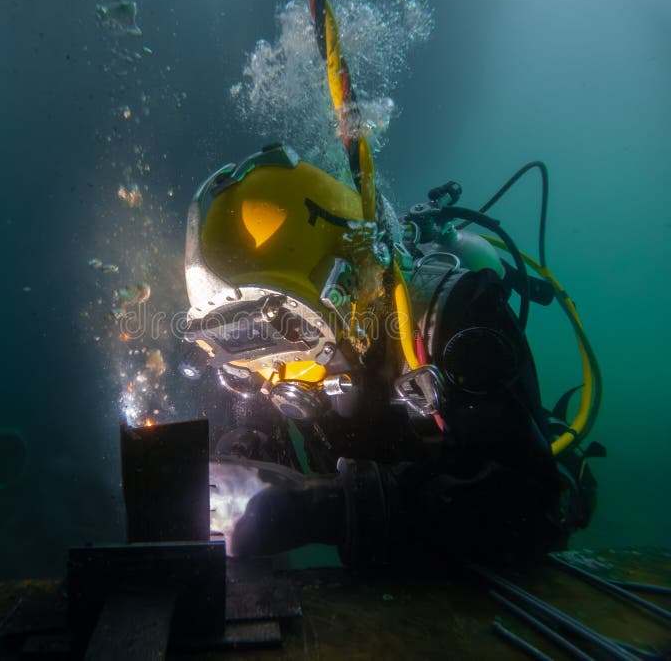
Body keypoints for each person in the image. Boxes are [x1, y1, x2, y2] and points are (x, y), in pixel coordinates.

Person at [181, 143, 599, 566]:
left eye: (288, 327)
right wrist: (240, 465)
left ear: (348, 284)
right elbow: (251, 436)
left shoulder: (458, 319)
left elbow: (532, 506)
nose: (271, 370)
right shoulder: (251, 365)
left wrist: (328, 507)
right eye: (233, 336)